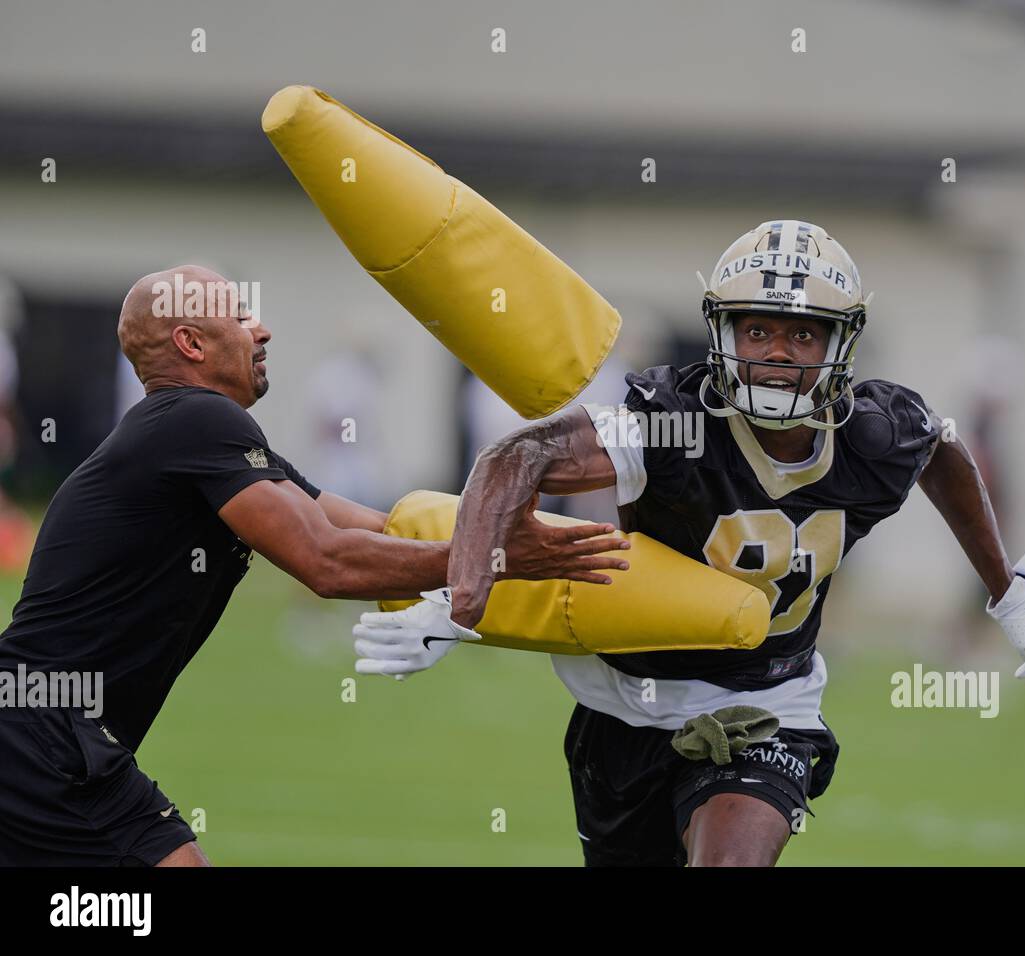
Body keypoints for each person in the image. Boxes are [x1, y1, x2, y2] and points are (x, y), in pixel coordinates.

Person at [357, 221, 1025, 867]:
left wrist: (1007, 591)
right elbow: (518, 456)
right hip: (623, 706)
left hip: (767, 706)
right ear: (722, 335)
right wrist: (463, 599)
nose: (780, 354)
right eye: (758, 331)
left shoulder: (875, 432)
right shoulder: (677, 423)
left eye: (804, 334)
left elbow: (940, 451)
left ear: (841, 344)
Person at [0, 264, 628, 867]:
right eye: (241, 315)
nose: (262, 328)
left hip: (41, 733)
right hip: (48, 739)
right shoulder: (197, 419)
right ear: (190, 343)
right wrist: (493, 559)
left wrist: (501, 527)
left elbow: (372, 526)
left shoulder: (198, 431)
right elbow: (326, 564)